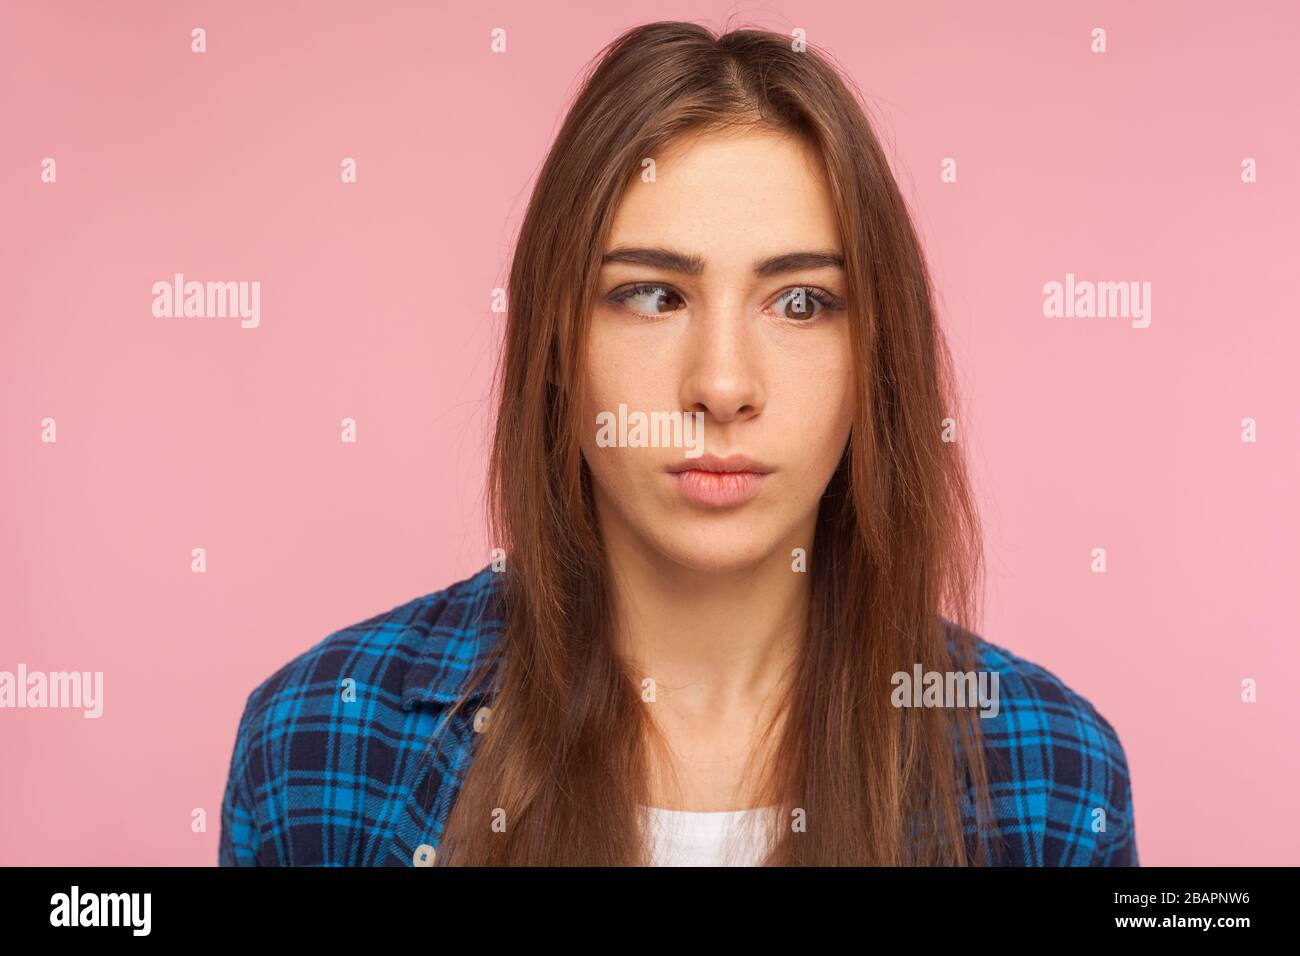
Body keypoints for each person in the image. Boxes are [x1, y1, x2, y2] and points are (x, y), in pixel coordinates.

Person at [219, 20, 1137, 866]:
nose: (724, 386)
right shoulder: (321, 740)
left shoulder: (1051, 775)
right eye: (653, 295)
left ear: (876, 361)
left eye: (802, 302)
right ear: (555, 347)